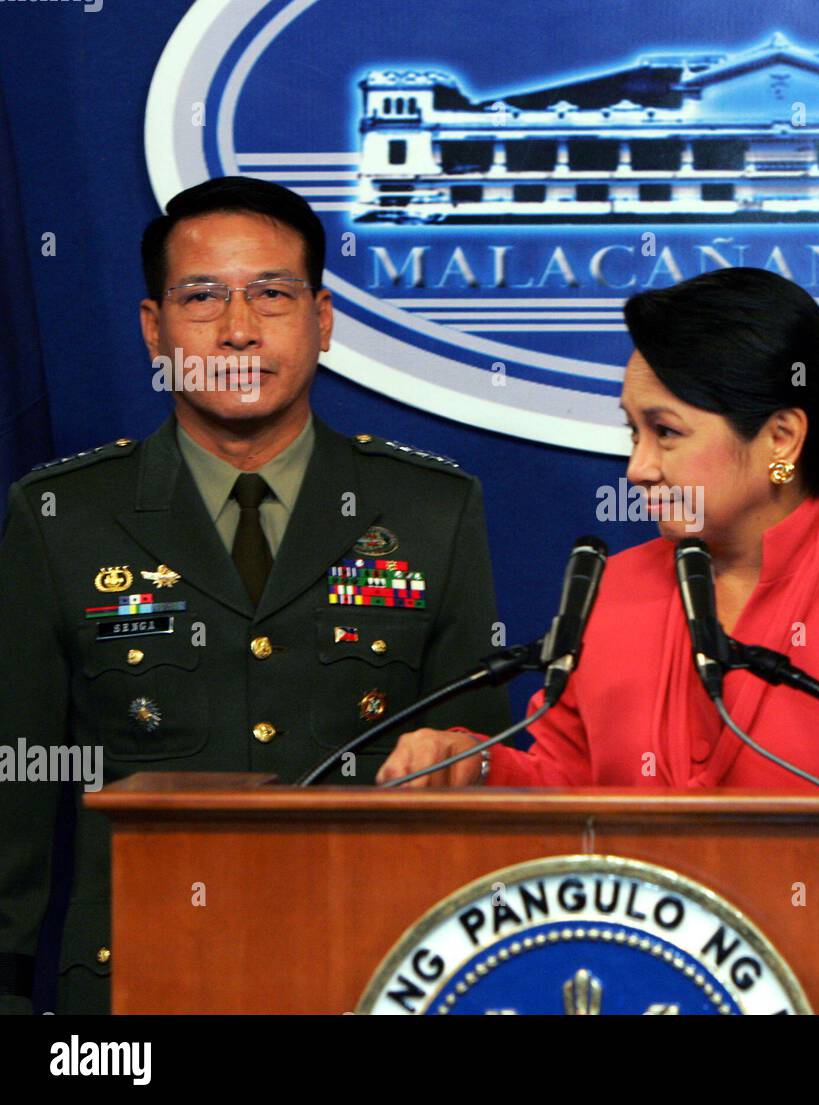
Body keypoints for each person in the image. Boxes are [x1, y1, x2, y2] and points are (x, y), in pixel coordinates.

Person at [0, 176, 509, 1014]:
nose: (238, 330)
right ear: (154, 330)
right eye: (202, 298)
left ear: (324, 320)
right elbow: (15, 798)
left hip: (373, 973)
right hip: (138, 988)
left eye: (272, 294)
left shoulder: (431, 510)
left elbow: (480, 765)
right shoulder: (61, 517)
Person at [377, 267, 819, 791]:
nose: (637, 469)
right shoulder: (608, 593)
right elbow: (563, 785)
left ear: (782, 438)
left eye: (666, 432)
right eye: (633, 430)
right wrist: (475, 761)